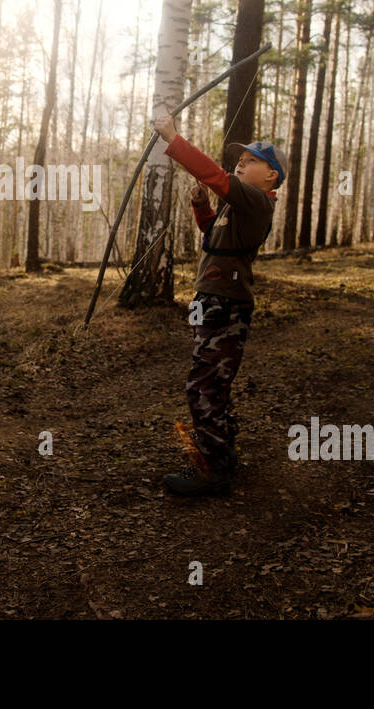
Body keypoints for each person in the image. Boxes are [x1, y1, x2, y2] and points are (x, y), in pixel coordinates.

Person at [152, 109, 286, 497]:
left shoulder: (258, 202)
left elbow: (215, 175)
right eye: (239, 162)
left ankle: (212, 467)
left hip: (226, 305)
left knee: (204, 386)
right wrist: (202, 209)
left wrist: (173, 140)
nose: (240, 166)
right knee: (212, 382)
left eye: (250, 163)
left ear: (271, 175)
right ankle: (222, 453)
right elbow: (215, 236)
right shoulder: (237, 207)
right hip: (212, 302)